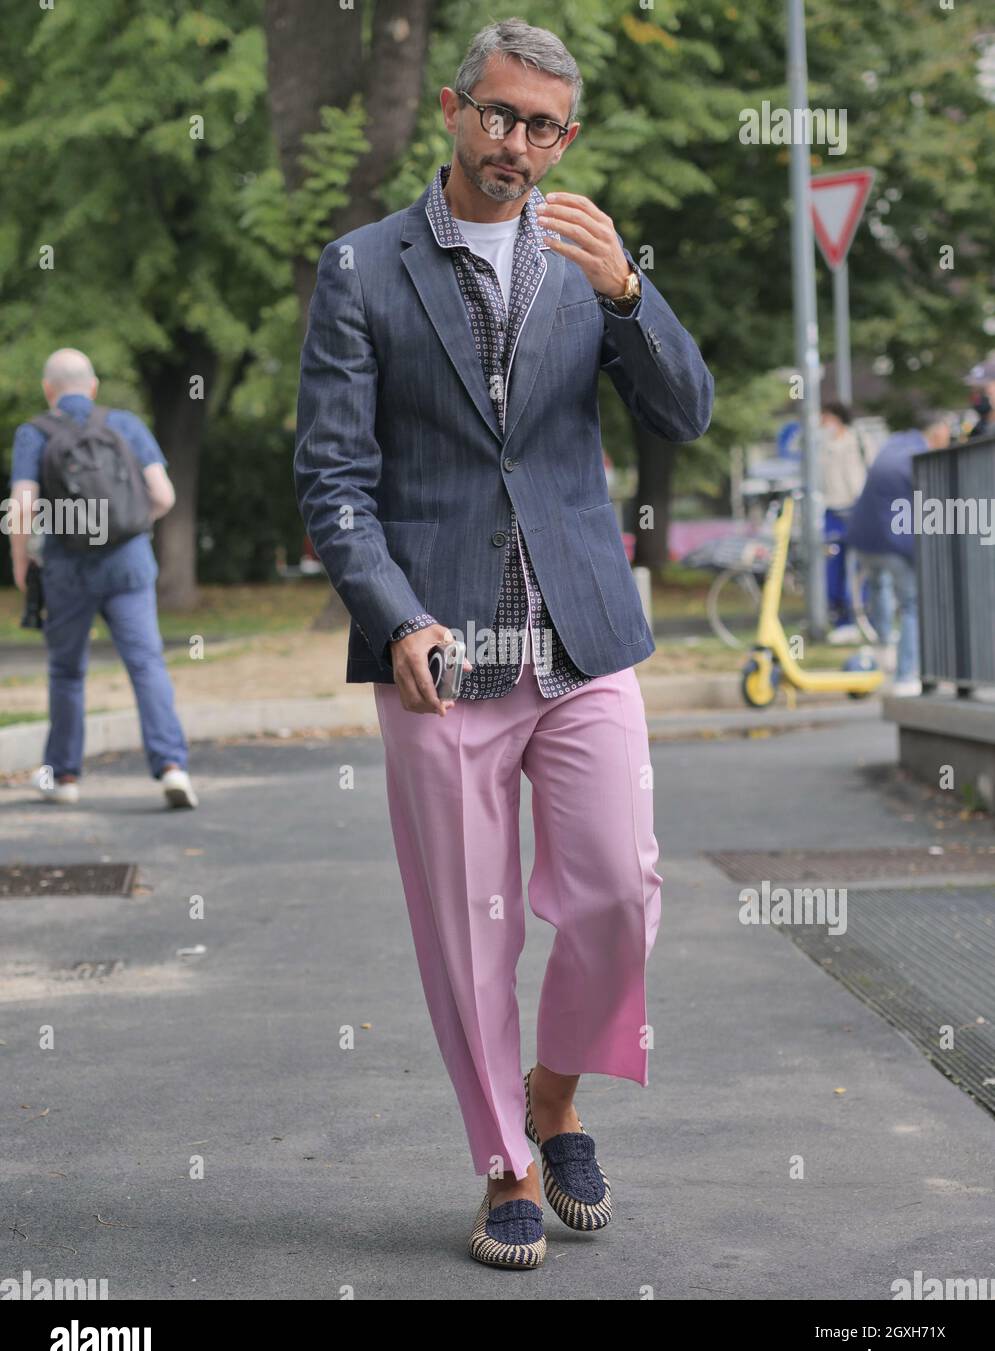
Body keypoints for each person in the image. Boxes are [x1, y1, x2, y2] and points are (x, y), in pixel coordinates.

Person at [293, 19, 713, 1269]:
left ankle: (554, 1089)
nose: (512, 142)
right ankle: (505, 1165)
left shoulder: (588, 261)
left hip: (579, 634)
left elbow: (683, 411)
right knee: (467, 926)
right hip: (442, 657)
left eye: (539, 126)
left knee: (620, 893)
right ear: (450, 109)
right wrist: (395, 615)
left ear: (564, 139)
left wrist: (630, 292)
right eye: (495, 114)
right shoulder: (362, 268)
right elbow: (331, 481)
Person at [7, 348, 198, 808]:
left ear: (48, 390)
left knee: (67, 671)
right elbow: (164, 495)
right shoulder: (125, 423)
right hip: (129, 564)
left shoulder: (34, 433)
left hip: (66, 567)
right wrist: (130, 525)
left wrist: (20, 561)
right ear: (92, 386)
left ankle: (64, 777)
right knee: (147, 663)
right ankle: (172, 767)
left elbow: (22, 508)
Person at [845, 410, 952, 697]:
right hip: (891, 540)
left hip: (862, 537)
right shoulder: (919, 457)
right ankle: (905, 676)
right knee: (912, 604)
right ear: (939, 431)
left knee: (879, 584)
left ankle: (884, 648)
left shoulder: (894, 444)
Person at [819, 400, 867, 641]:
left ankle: (863, 617)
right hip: (832, 511)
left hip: (858, 509)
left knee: (862, 568)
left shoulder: (858, 441)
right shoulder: (821, 445)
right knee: (833, 567)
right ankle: (841, 620)